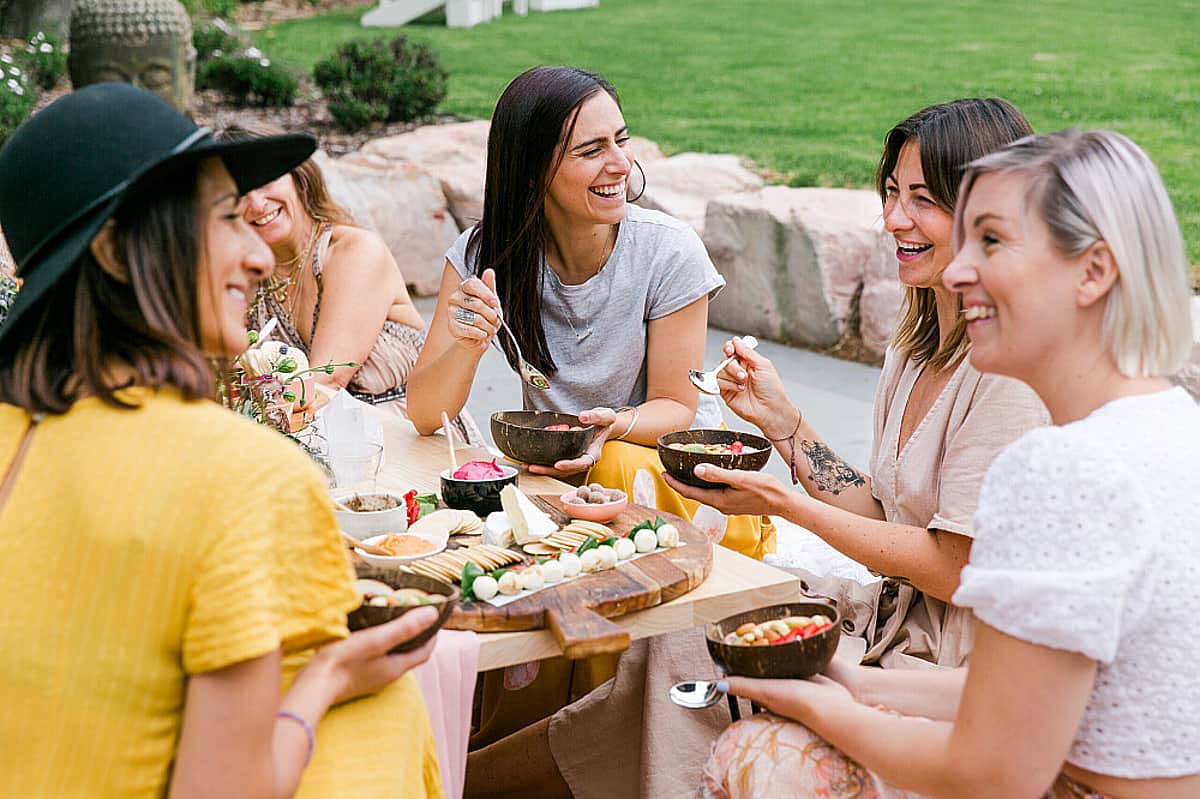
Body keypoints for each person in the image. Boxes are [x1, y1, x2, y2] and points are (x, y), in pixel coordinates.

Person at [697, 129, 1200, 799]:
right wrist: (861, 683)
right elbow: (1042, 683)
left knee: (751, 750)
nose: (960, 271)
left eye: (990, 241)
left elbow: (995, 770)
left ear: (1095, 270)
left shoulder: (1060, 465)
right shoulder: (1169, 417)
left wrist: (828, 710)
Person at [0, 84, 443, 798]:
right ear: (114, 251)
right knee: (382, 707)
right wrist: (329, 677)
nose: (259, 255)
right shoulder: (240, 474)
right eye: (224, 219)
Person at [669, 98, 1049, 670]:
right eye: (894, 191)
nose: (895, 218)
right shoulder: (914, 349)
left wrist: (782, 505)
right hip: (889, 625)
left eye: (924, 200)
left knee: (689, 653)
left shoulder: (1010, 372)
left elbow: (953, 568)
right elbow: (887, 520)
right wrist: (785, 425)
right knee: (675, 626)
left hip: (962, 668)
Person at [405, 65, 771, 560]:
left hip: (671, 474)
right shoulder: (487, 255)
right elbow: (427, 416)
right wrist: (468, 347)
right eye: (591, 150)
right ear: (534, 170)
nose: (619, 163)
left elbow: (676, 409)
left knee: (613, 464)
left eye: (621, 140)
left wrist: (609, 427)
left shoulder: (668, 251)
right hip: (561, 476)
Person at [215, 123, 480, 443]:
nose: (257, 204)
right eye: (240, 193)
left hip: (408, 440)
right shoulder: (250, 279)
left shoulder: (353, 252)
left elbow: (326, 379)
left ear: (297, 176)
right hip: (314, 441)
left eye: (266, 179)